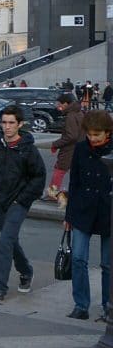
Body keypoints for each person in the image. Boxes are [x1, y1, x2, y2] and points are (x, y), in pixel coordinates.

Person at [0, 105, 46, 305]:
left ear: (20, 124)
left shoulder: (28, 150)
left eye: (11, 123)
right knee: (10, 241)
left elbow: (39, 177)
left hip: (19, 202)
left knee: (5, 241)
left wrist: (22, 199)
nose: (7, 127)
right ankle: (26, 271)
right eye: (4, 122)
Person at [62, 110, 113, 321]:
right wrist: (68, 215)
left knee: (108, 264)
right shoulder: (82, 149)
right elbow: (74, 182)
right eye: (90, 134)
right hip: (83, 210)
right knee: (78, 258)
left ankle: (108, 306)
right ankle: (81, 305)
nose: (93, 139)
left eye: (97, 135)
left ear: (107, 133)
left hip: (108, 211)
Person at [43, 93, 84, 201]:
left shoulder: (70, 116)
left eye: (59, 104)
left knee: (59, 170)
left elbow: (71, 136)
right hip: (79, 147)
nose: (58, 106)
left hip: (70, 149)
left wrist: (55, 144)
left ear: (66, 103)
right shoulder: (78, 112)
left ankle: (52, 194)